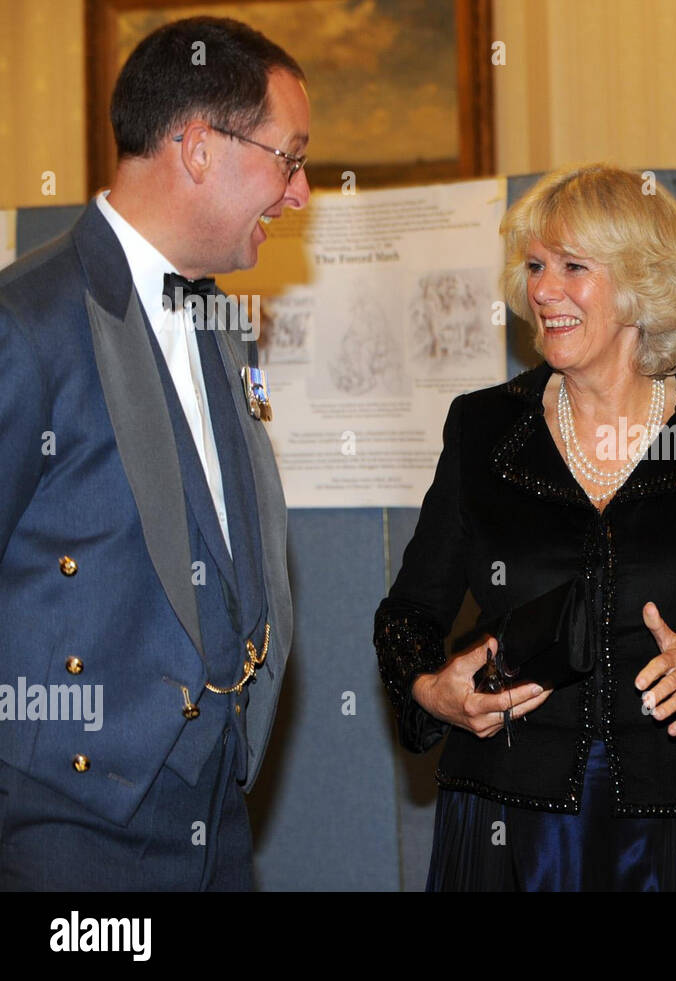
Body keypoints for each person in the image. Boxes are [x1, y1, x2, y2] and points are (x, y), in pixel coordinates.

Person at [373, 164, 676, 891]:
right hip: (509, 817)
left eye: (574, 267)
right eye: (537, 266)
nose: (544, 290)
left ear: (643, 281)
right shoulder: (485, 428)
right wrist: (429, 689)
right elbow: (409, 613)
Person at [0, 17, 305, 890]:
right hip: (64, 828)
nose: (301, 192)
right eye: (289, 157)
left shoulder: (217, 317)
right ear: (201, 147)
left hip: (212, 806)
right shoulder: (24, 325)